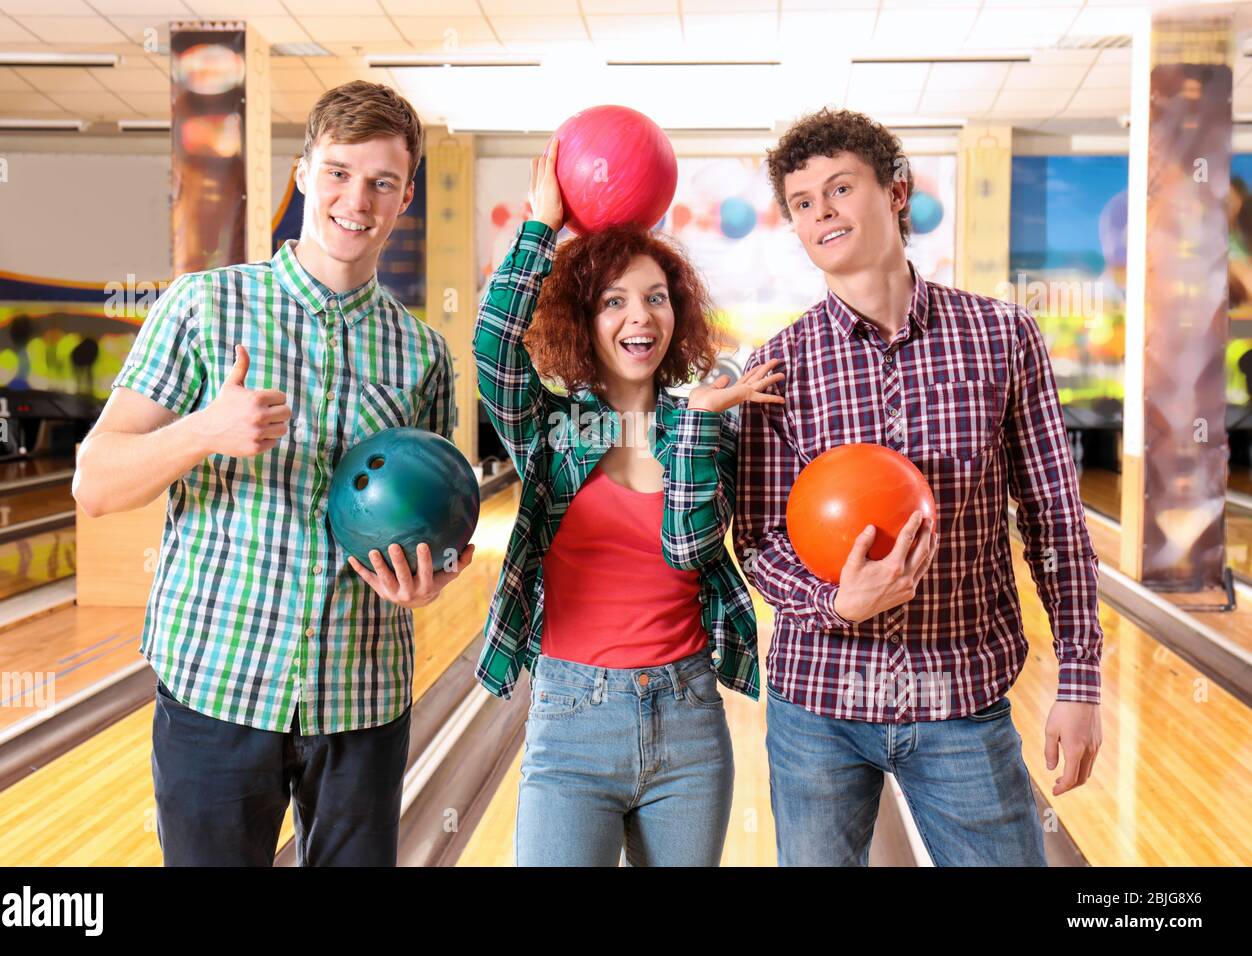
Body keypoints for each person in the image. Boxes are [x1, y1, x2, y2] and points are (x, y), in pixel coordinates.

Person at [72, 81, 472, 866]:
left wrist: (435, 579)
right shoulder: (204, 308)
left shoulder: (421, 353)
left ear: (404, 197)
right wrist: (201, 432)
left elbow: (441, 525)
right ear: (302, 173)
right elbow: (96, 482)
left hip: (361, 695)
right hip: (218, 686)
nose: (357, 199)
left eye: (382, 182)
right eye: (338, 173)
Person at [735, 108, 1104, 867]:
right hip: (819, 706)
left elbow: (1055, 519)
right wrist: (835, 601)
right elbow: (761, 540)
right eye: (803, 204)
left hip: (960, 700)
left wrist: (1081, 679)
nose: (822, 213)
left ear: (897, 192)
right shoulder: (778, 367)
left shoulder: (1004, 336)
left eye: (841, 189)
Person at [473, 138, 782, 866]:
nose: (638, 316)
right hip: (571, 718)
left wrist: (702, 423)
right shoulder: (550, 429)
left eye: (654, 296)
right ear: (584, 319)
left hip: (687, 721)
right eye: (613, 300)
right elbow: (493, 352)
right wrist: (539, 228)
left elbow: (690, 546)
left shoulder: (701, 427)